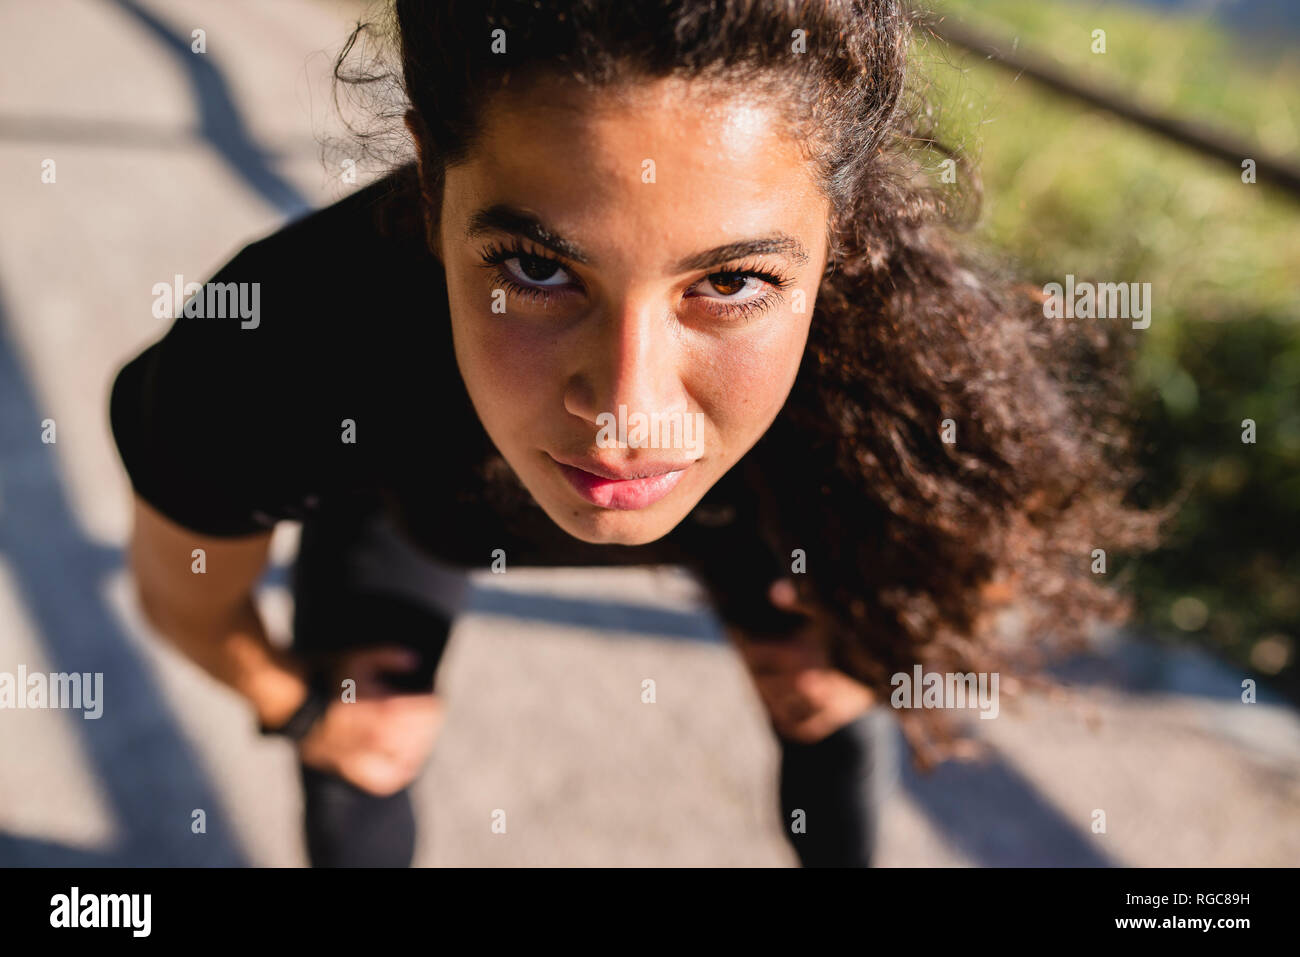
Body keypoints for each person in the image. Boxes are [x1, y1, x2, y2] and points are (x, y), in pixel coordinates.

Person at [109, 0, 1156, 867]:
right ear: (433, 178)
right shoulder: (276, 345)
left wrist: (877, 660)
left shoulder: (912, 358)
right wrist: (300, 712)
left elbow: (983, 552)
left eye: (733, 281)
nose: (625, 416)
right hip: (409, 497)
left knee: (834, 714)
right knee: (360, 756)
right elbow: (187, 597)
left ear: (843, 220)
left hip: (755, 511)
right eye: (535, 268)